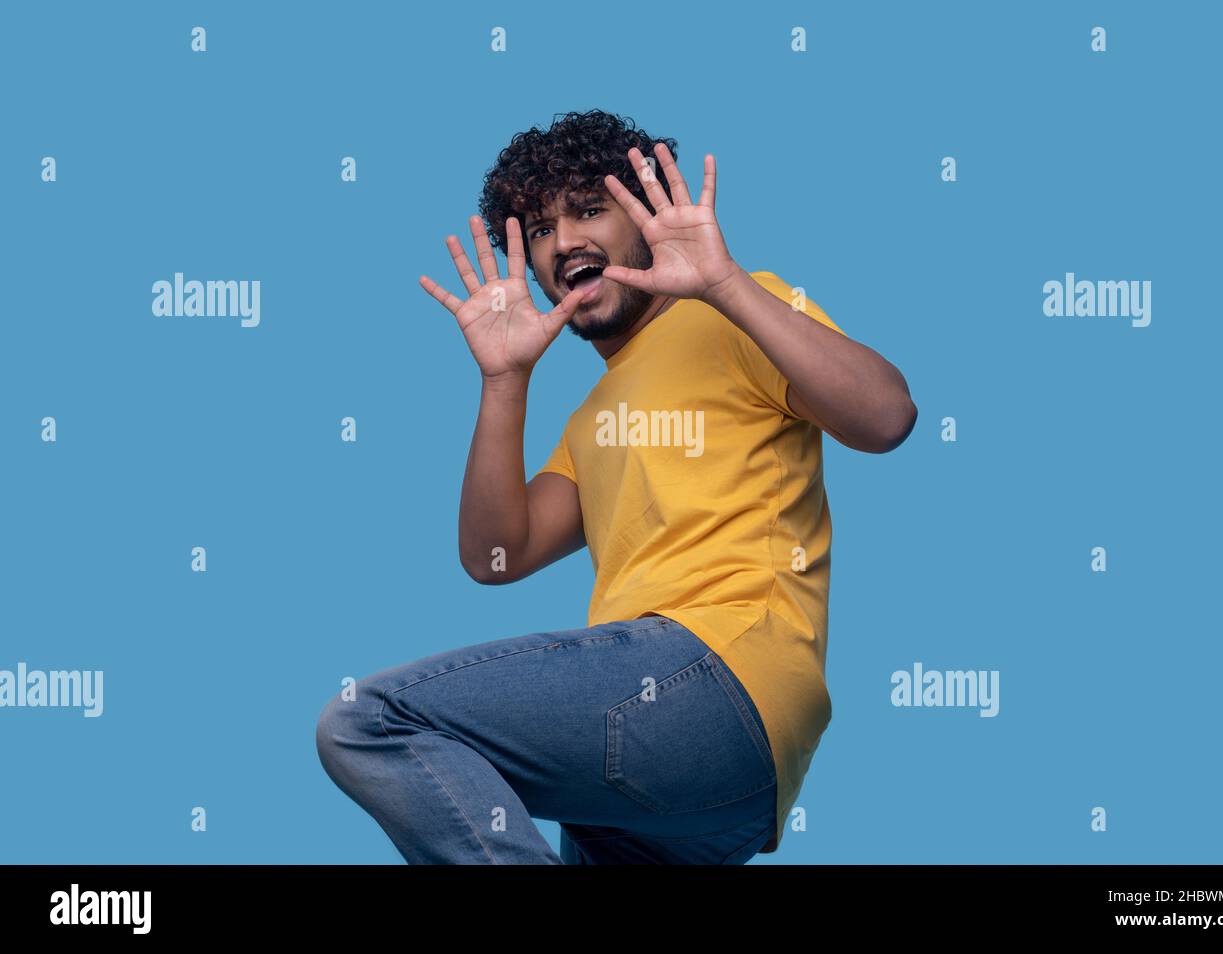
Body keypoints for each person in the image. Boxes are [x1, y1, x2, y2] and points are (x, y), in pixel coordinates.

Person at [316, 109, 916, 864]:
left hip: (714, 678)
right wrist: (504, 380)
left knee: (371, 719)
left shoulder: (736, 315)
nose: (564, 240)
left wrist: (726, 283)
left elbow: (887, 416)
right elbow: (496, 555)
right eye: (538, 228)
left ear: (643, 217)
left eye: (589, 210)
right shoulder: (593, 417)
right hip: (701, 798)